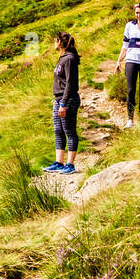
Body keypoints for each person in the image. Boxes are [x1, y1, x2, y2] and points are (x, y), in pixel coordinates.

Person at [44, 32, 80, 174]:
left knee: (69, 131)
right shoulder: (63, 57)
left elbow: (70, 83)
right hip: (59, 99)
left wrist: (63, 103)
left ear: (61, 42)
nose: (54, 42)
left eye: (56, 40)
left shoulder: (69, 59)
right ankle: (59, 162)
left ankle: (70, 164)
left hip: (67, 99)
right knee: (58, 130)